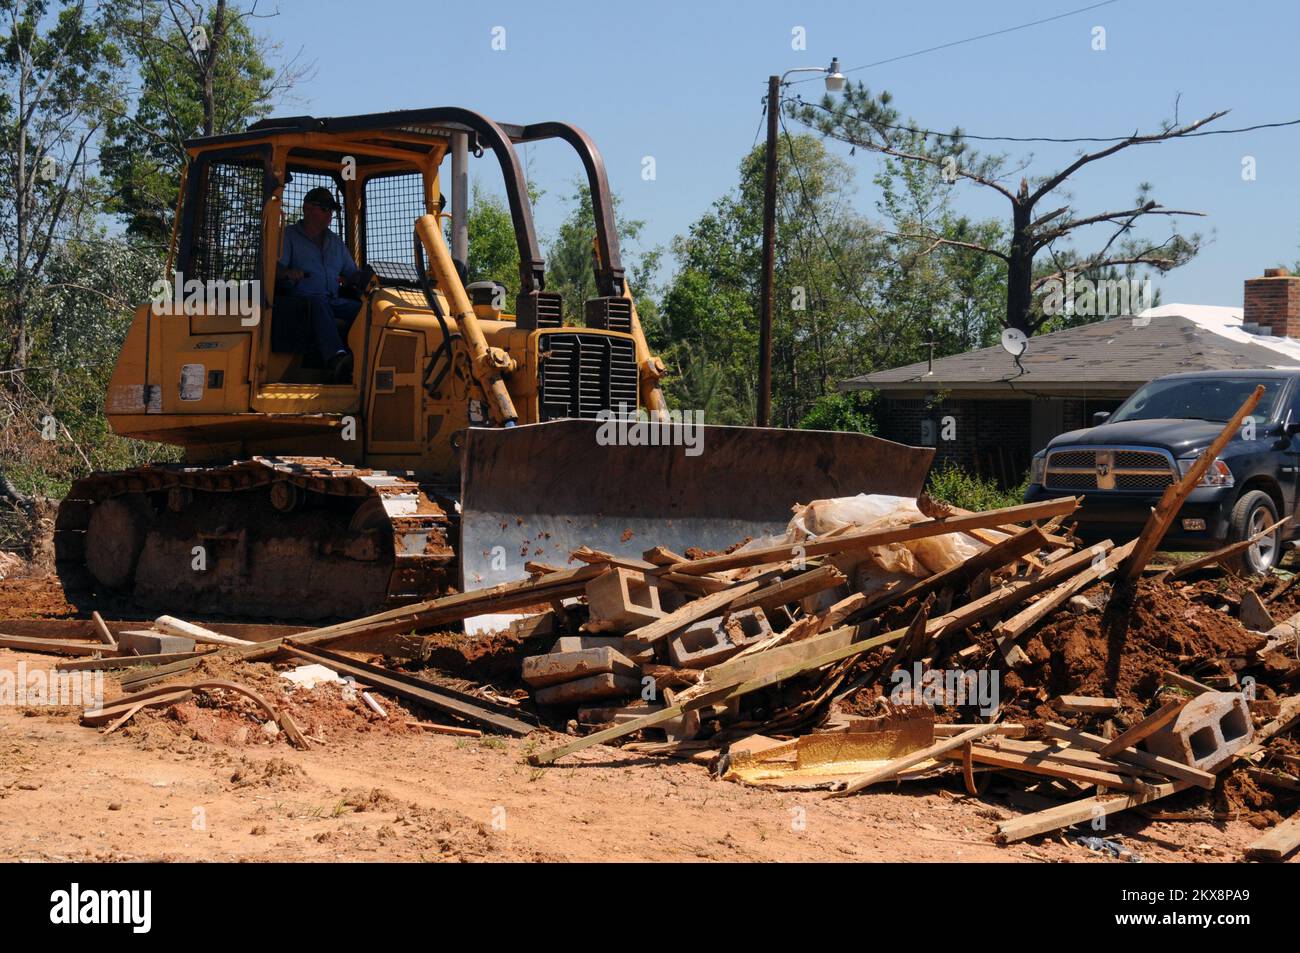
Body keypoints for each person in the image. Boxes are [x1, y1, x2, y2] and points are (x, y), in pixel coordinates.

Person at [275, 186, 365, 382]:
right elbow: (274, 270)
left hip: (332, 301)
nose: (329, 215)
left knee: (366, 310)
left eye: (331, 210)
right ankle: (336, 358)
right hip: (300, 303)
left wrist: (365, 278)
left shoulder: (335, 242)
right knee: (317, 302)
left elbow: (351, 273)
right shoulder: (288, 236)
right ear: (307, 208)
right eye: (324, 209)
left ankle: (365, 362)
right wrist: (289, 273)